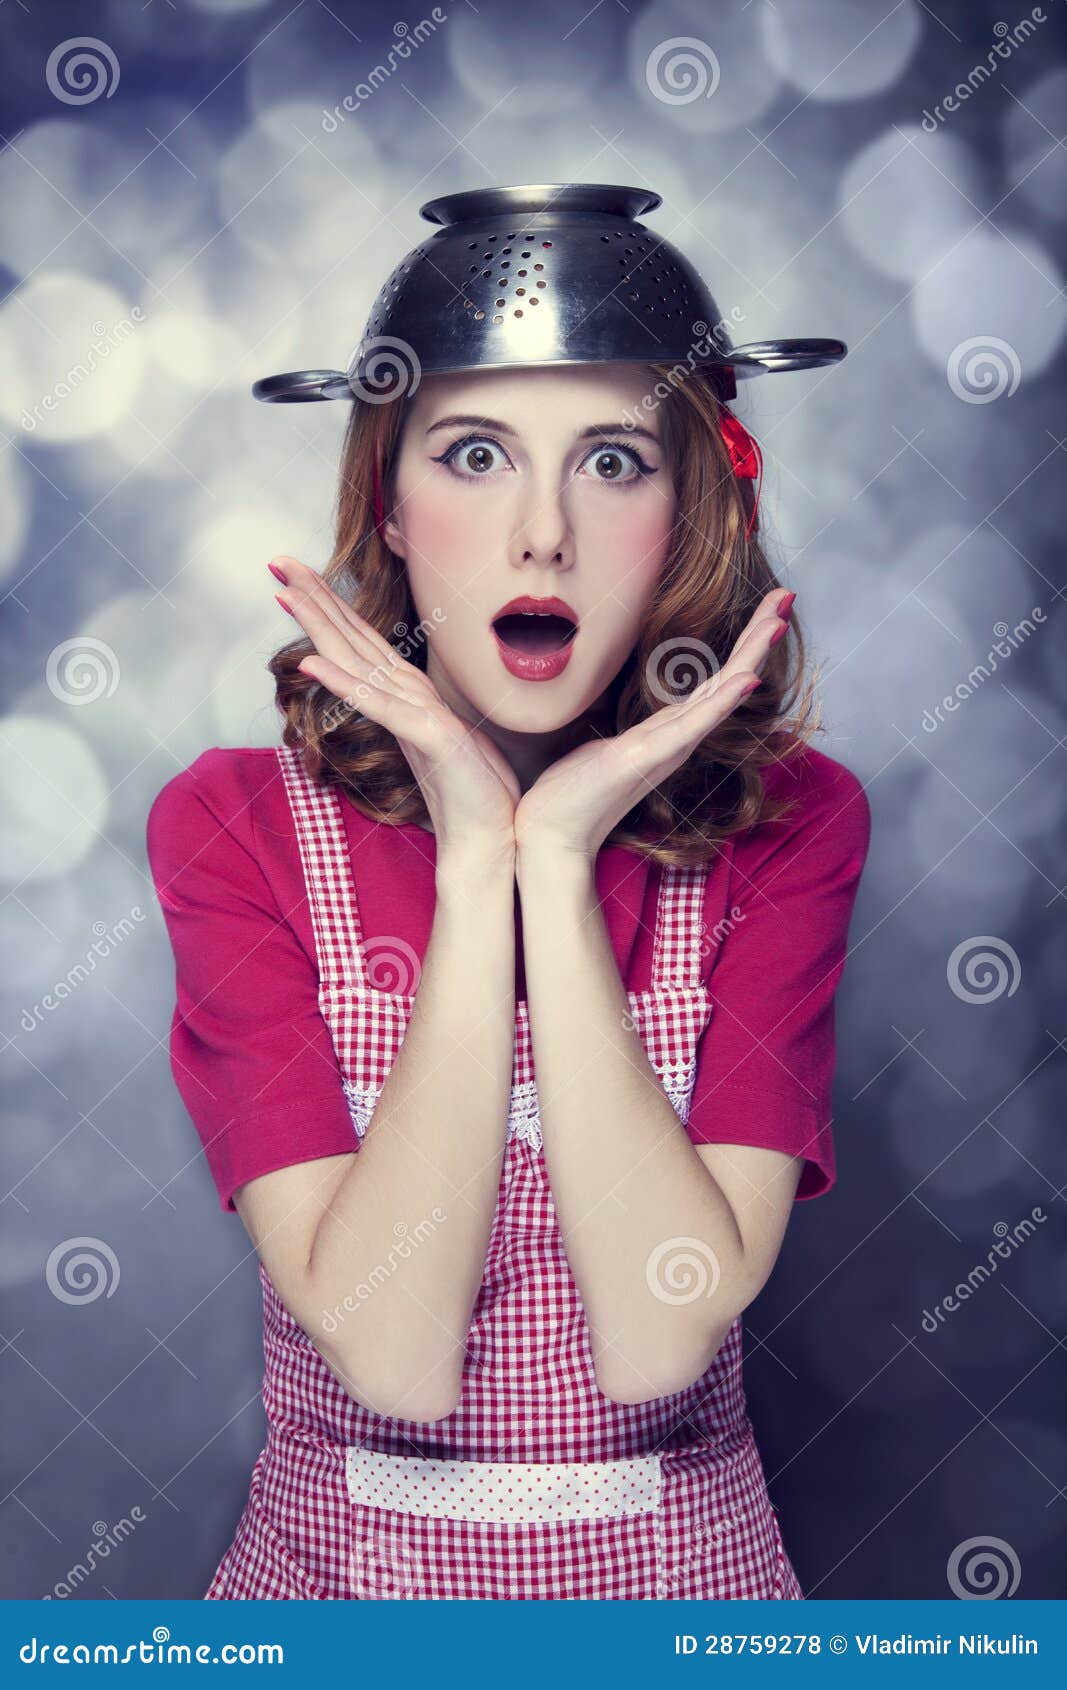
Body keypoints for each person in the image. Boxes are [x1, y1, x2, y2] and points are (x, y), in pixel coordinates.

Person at [146, 183, 870, 1600]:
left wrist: (559, 849)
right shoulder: (232, 826)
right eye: (474, 455)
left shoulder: (795, 824)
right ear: (390, 506)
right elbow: (394, 1355)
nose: (543, 534)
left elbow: (658, 1339)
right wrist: (481, 858)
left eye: (614, 461)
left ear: (693, 508)